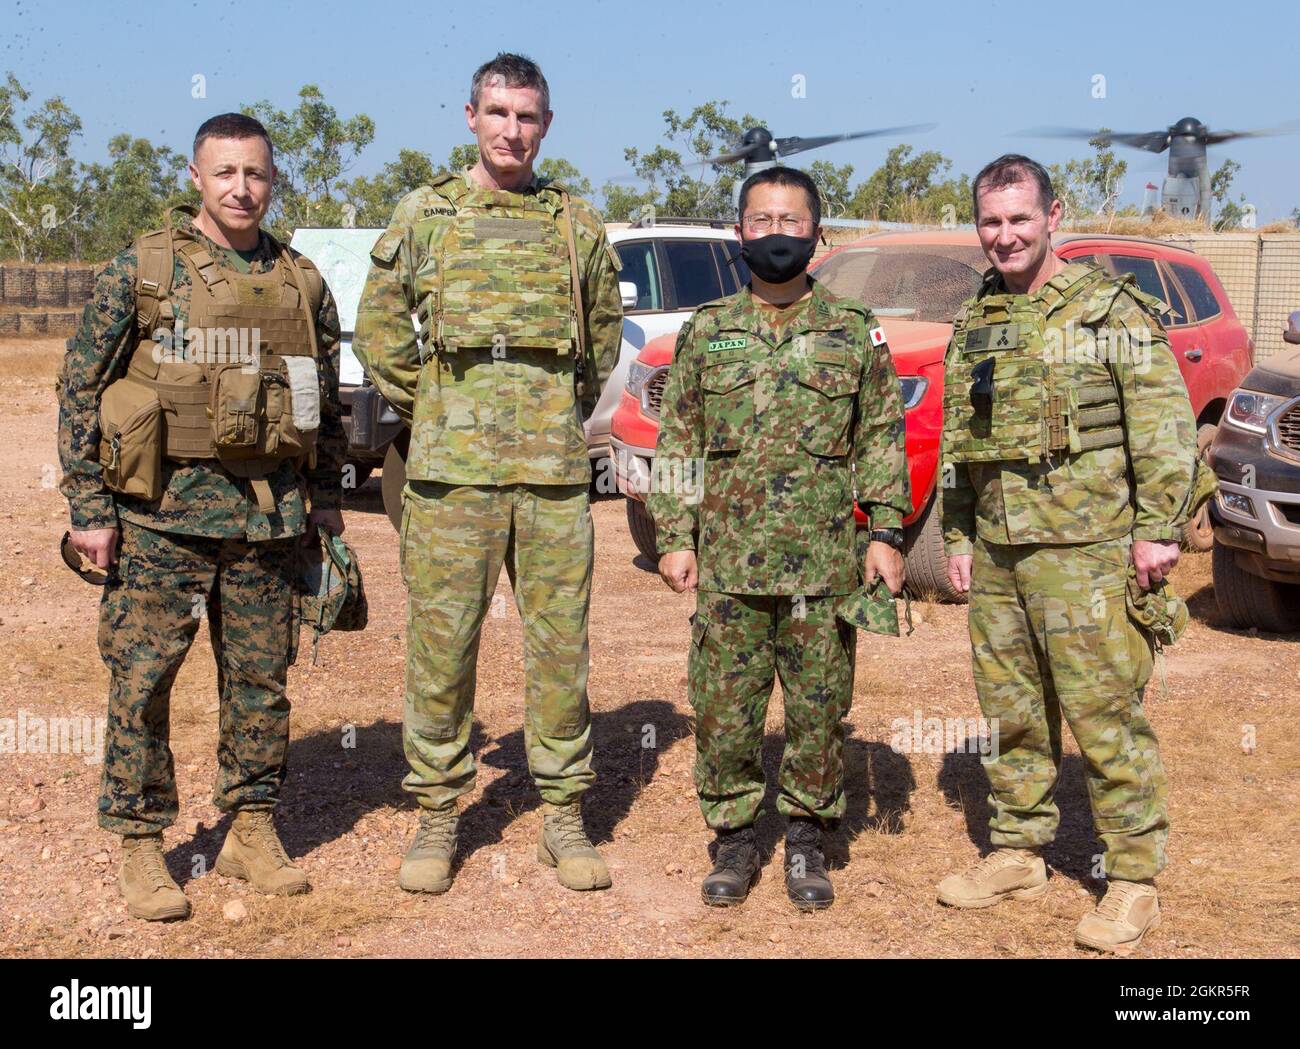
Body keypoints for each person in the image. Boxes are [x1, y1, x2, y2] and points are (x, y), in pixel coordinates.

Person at [57, 113, 346, 920]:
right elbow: (81, 385)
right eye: (225, 173)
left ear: (272, 178)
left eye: (255, 173)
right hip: (161, 521)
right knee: (143, 680)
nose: (241, 189)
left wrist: (323, 500)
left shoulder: (302, 280)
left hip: (266, 522)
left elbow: (320, 396)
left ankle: (251, 827)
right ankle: (143, 840)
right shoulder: (145, 269)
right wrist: (89, 507)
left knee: (260, 683)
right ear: (196, 176)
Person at [353, 53, 623, 894]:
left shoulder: (577, 223)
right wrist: (434, 404)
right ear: (469, 115)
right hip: (450, 478)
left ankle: (563, 814)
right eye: (498, 112)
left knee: (559, 651)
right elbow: (381, 327)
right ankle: (439, 813)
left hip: (549, 477)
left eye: (528, 116)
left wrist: (545, 414)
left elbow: (602, 340)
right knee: (441, 649)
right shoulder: (425, 214)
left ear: (547, 125)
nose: (513, 130)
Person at [935, 154, 1197, 954]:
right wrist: (958, 534)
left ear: (1054, 215)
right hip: (1002, 551)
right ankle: (1018, 849)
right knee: (1012, 713)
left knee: (1106, 714)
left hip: (1086, 550)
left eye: (1019, 218)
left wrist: (1159, 528)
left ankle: (1133, 878)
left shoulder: (1107, 309)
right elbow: (960, 440)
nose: (1004, 235)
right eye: (990, 220)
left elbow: (1164, 426)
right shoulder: (977, 317)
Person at [648, 167, 910, 911]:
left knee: (818, 709)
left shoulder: (854, 331)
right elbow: (680, 440)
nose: (775, 234)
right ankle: (733, 836)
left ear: (816, 234)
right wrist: (674, 534)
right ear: (740, 233)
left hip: (822, 567)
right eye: (760, 221)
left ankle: (805, 838)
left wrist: (885, 530)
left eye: (790, 221)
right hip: (729, 565)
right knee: (725, 710)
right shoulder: (706, 331)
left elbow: (881, 436)